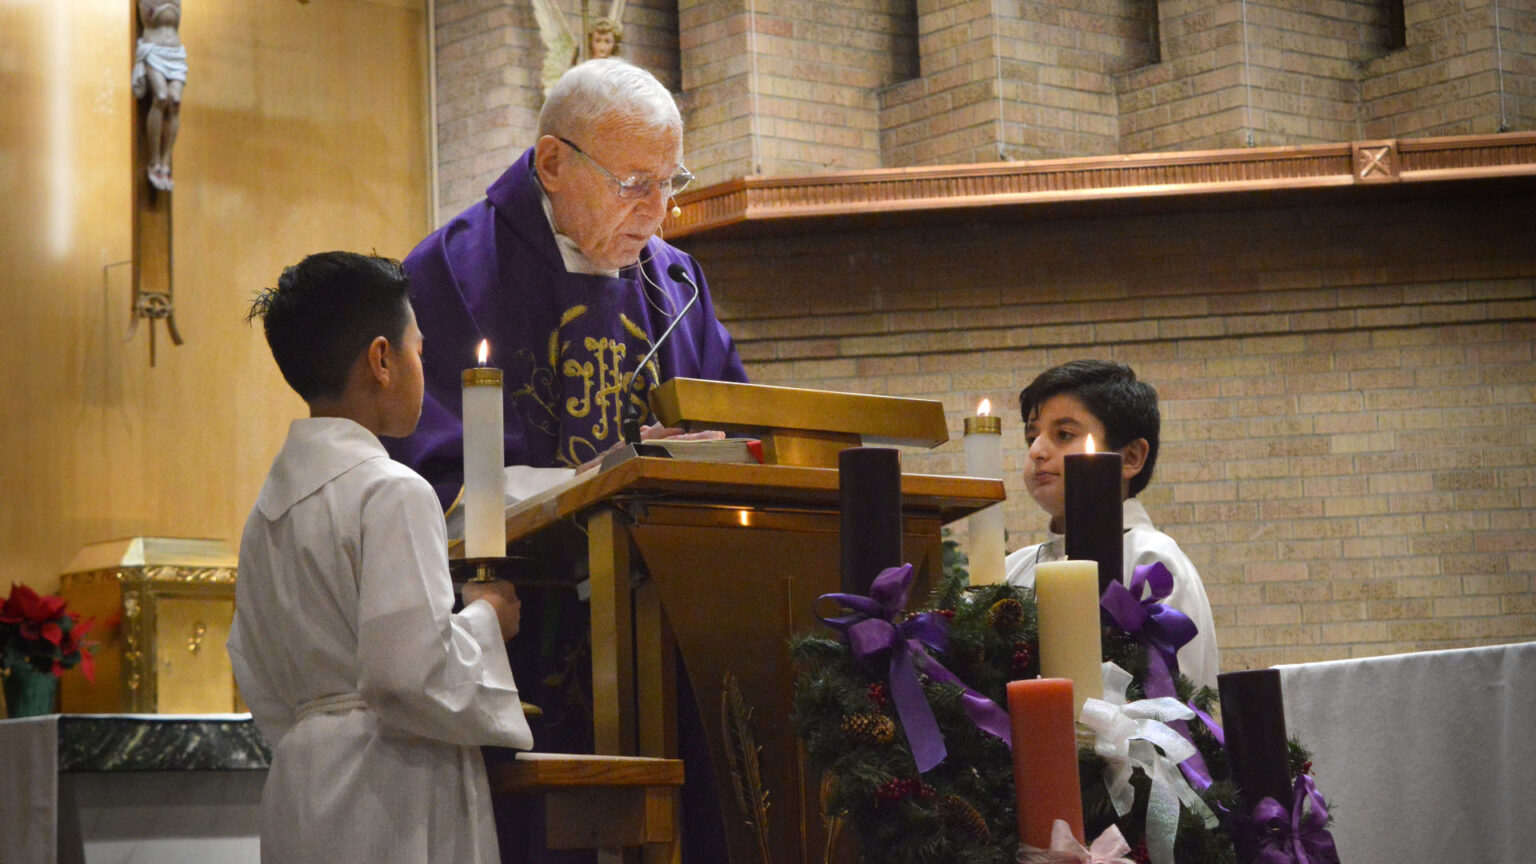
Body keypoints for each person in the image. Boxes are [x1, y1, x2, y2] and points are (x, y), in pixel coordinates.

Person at [228, 252, 534, 864]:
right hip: (390, 785)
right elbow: (406, 675)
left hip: (303, 780)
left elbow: (252, 669)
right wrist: (485, 619)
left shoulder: (266, 513)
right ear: (382, 360)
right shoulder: (392, 491)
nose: (424, 366)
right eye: (417, 349)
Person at [386, 58, 747, 509]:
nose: (658, 211)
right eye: (634, 183)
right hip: (517, 555)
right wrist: (586, 482)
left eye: (669, 182)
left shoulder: (679, 281)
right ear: (553, 164)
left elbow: (739, 435)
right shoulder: (449, 273)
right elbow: (423, 481)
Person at [1004, 359, 1220, 691]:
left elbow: (1176, 702)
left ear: (1131, 457)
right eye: (1031, 436)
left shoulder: (1153, 563)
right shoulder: (1013, 569)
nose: (1036, 451)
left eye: (1063, 435)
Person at [133, 0, 187, 191]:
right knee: (161, 97)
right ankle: (154, 160)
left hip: (176, 53)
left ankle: (165, 162)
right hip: (154, 50)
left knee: (175, 101)